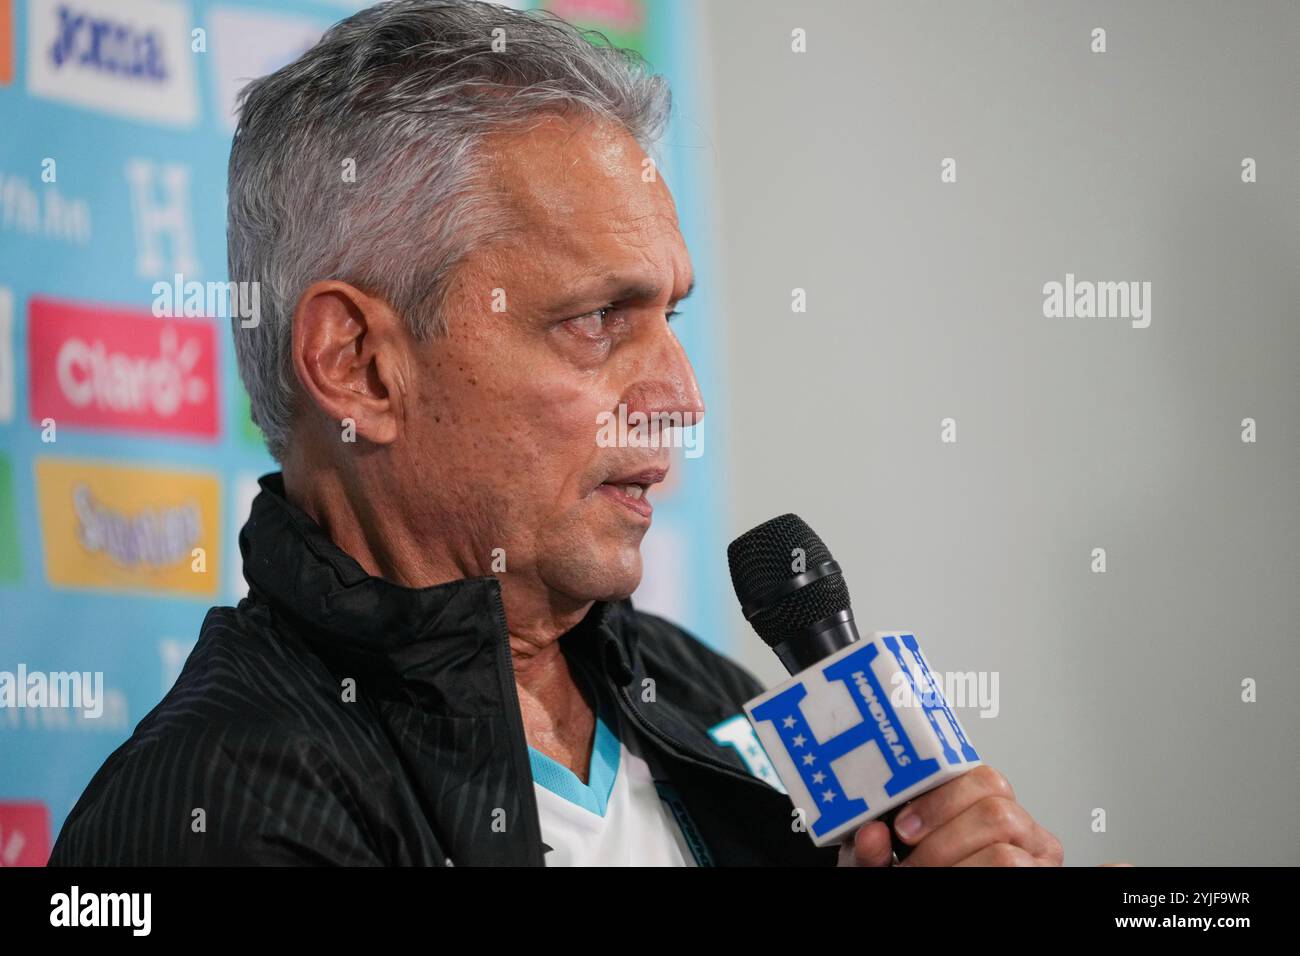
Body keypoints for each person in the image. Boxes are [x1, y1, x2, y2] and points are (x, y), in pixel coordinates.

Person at [49, 0, 1062, 867]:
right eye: (596, 320)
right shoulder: (214, 809)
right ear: (358, 363)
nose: (680, 395)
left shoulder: (710, 697)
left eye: (671, 315)